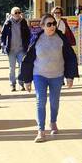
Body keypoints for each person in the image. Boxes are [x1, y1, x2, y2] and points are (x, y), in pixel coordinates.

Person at [18, 12, 77, 142]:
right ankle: (41, 130)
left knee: (54, 102)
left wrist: (70, 76)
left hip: (57, 75)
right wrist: (27, 80)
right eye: (49, 24)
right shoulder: (36, 39)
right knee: (41, 101)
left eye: (54, 24)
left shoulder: (61, 38)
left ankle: (53, 122)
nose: (52, 26)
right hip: (39, 75)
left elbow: (70, 57)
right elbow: (28, 60)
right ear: (43, 26)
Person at [0, 7, 31, 92]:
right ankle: (12, 85)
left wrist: (28, 45)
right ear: (12, 14)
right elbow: (3, 35)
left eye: (19, 12)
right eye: (16, 13)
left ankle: (21, 84)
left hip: (21, 49)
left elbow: (29, 34)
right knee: (12, 68)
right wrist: (3, 44)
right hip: (11, 50)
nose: (18, 14)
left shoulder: (24, 22)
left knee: (22, 67)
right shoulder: (7, 23)